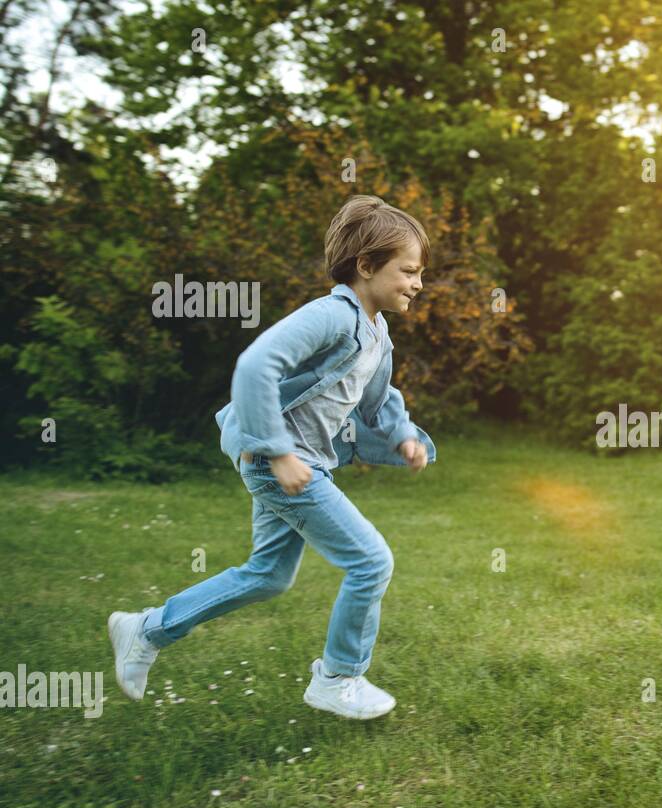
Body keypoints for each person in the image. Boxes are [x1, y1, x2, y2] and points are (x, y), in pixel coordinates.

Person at [108, 195, 436, 717]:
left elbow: (378, 400)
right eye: (410, 271)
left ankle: (145, 628)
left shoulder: (377, 332)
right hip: (283, 463)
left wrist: (403, 437)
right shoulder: (332, 315)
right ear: (367, 266)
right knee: (371, 561)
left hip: (303, 463)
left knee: (268, 575)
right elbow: (255, 365)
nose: (418, 284)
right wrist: (277, 451)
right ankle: (338, 677)